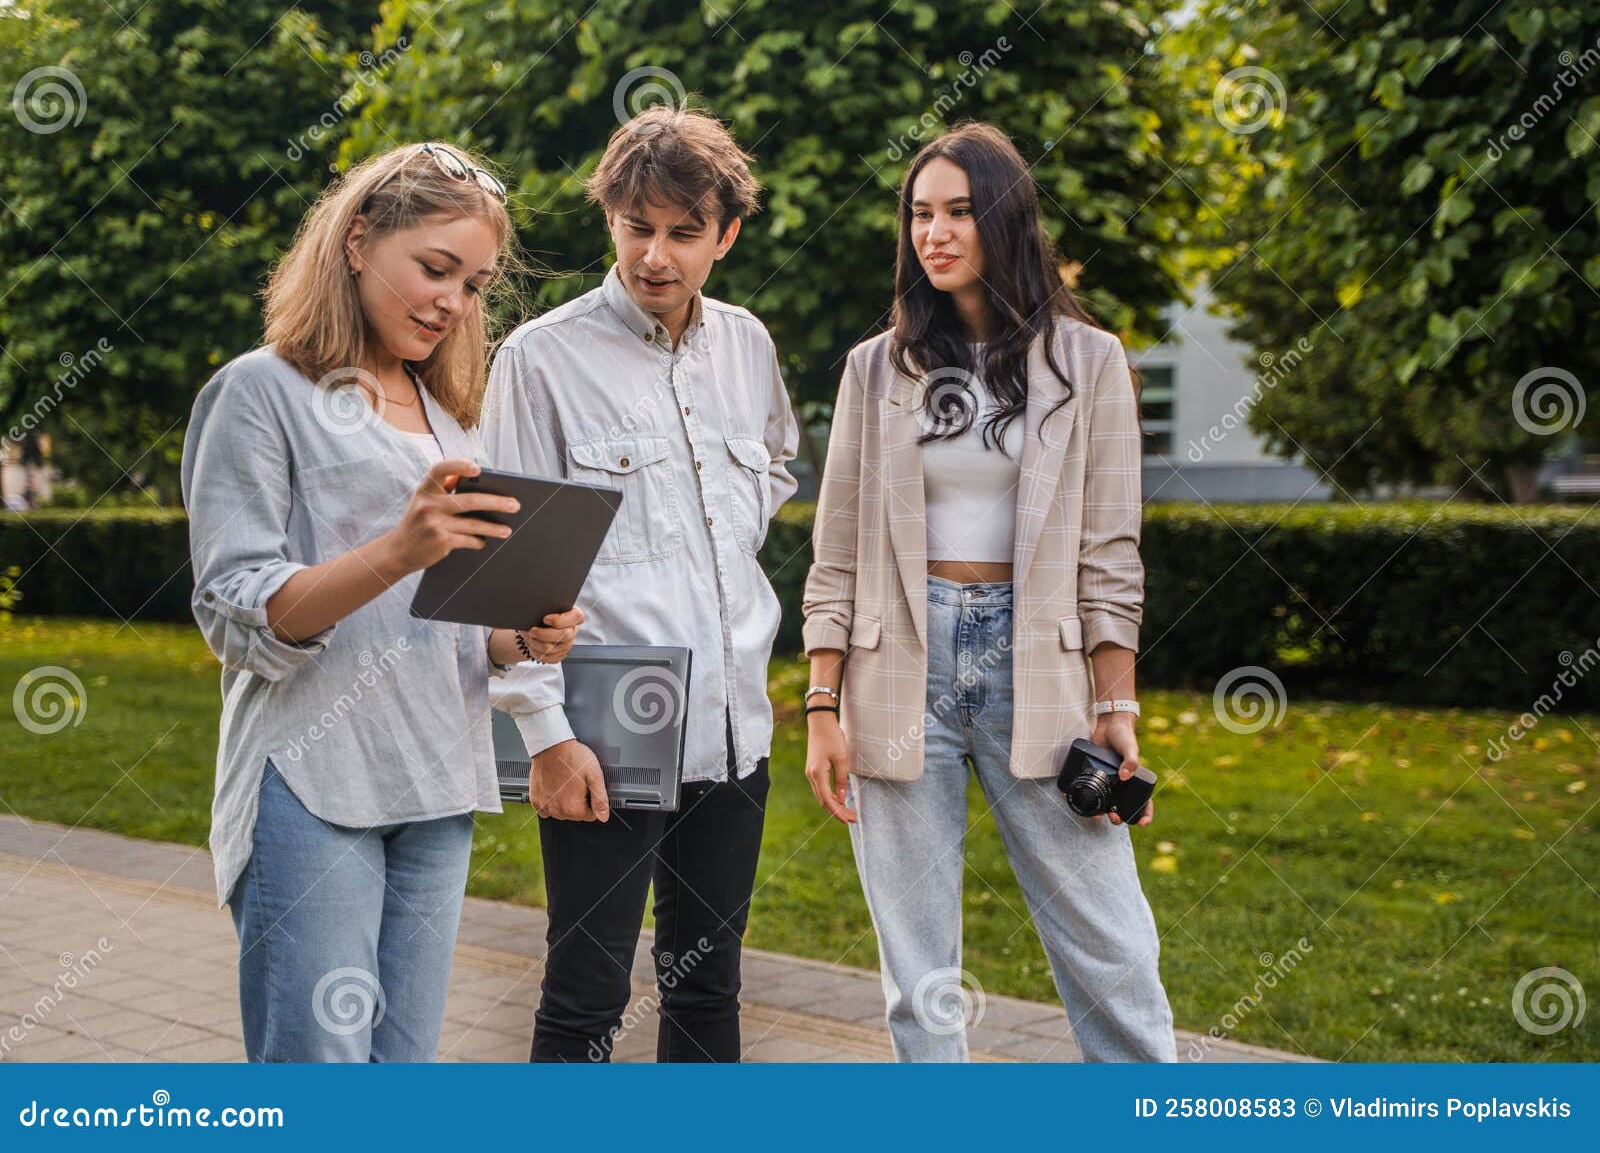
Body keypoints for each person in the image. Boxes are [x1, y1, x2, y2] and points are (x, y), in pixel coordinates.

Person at [181, 142, 584, 1062]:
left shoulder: (452, 414)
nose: (454, 300)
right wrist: (398, 549)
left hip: (436, 777)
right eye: (436, 268)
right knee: (320, 1074)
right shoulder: (259, 392)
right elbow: (238, 612)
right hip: (311, 780)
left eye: (475, 284)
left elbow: (447, 621)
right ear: (358, 240)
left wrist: (518, 637)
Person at [801, 122, 1178, 1062]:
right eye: (920, 215)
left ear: (1004, 221)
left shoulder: (1088, 362)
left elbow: (1110, 553)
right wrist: (820, 700)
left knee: (1112, 943)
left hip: (1038, 672)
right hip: (897, 666)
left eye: (959, 213)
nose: (935, 233)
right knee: (918, 968)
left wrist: (1118, 699)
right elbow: (837, 548)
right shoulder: (875, 368)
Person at [484, 105, 799, 1062]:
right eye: (636, 227)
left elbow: (772, 469)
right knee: (585, 997)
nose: (655, 255)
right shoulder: (540, 357)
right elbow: (506, 573)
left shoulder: (748, 345)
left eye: (682, 233)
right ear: (610, 222)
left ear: (726, 236)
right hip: (608, 713)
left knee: (708, 986)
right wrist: (544, 735)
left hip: (737, 716)